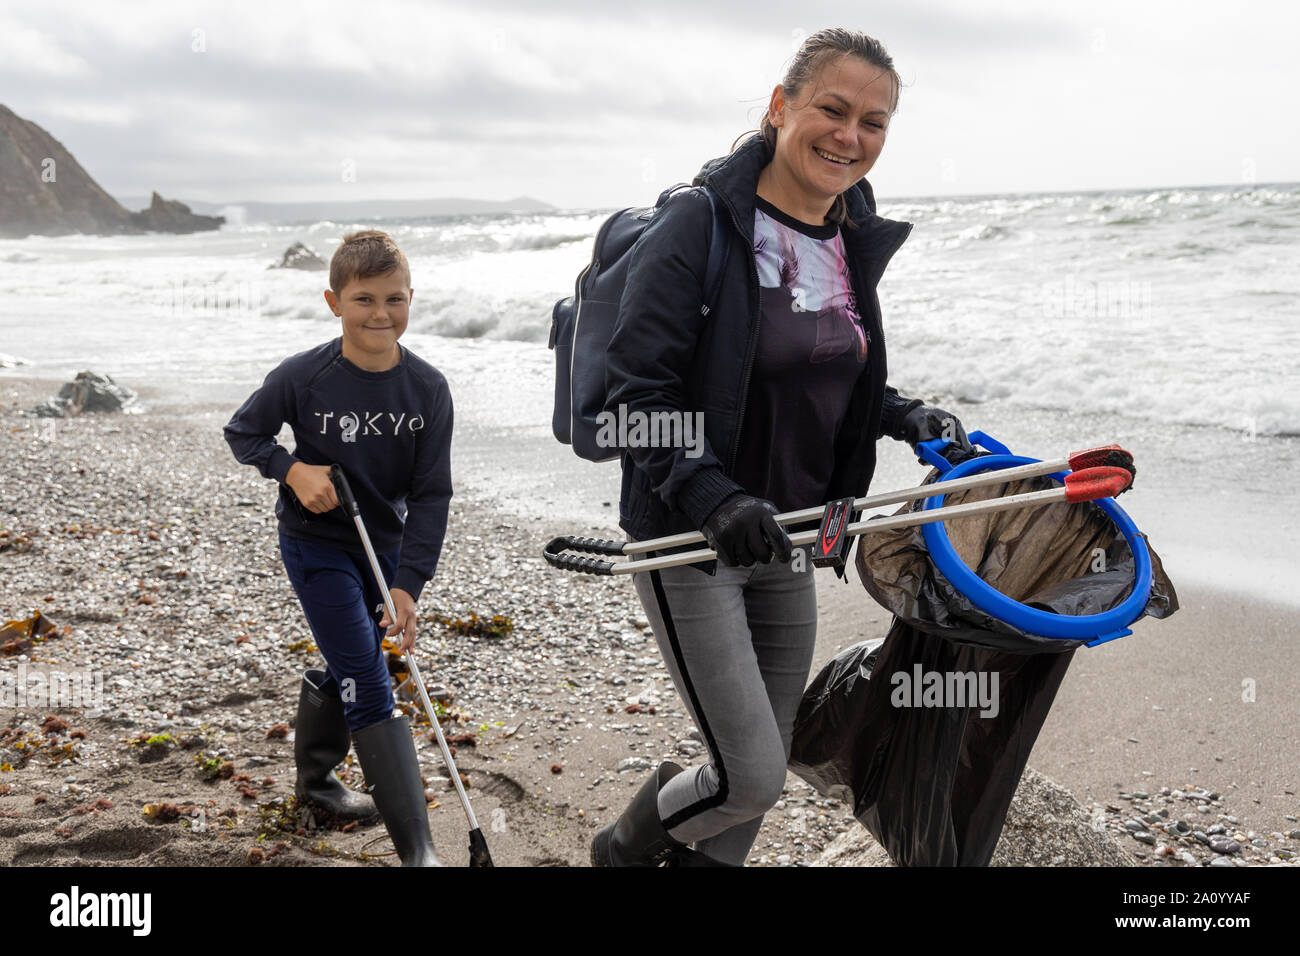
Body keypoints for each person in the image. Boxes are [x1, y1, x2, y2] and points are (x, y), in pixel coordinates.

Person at [593, 28, 972, 866]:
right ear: (780, 107)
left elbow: (825, 369)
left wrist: (905, 415)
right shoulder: (701, 225)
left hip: (797, 536)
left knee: (758, 764)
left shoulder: (848, 234)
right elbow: (636, 395)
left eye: (874, 122)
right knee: (752, 776)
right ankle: (622, 847)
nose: (851, 136)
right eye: (832, 110)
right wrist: (714, 498)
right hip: (690, 538)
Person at [224, 230, 453, 867]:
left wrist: (409, 583)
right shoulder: (306, 377)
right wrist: (291, 468)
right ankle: (421, 856)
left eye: (394, 299)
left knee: (347, 655)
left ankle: (319, 786)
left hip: (382, 551)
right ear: (334, 302)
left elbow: (432, 496)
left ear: (412, 299)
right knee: (370, 679)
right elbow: (244, 431)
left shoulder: (428, 390)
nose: (381, 314)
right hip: (315, 546)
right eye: (364, 300)